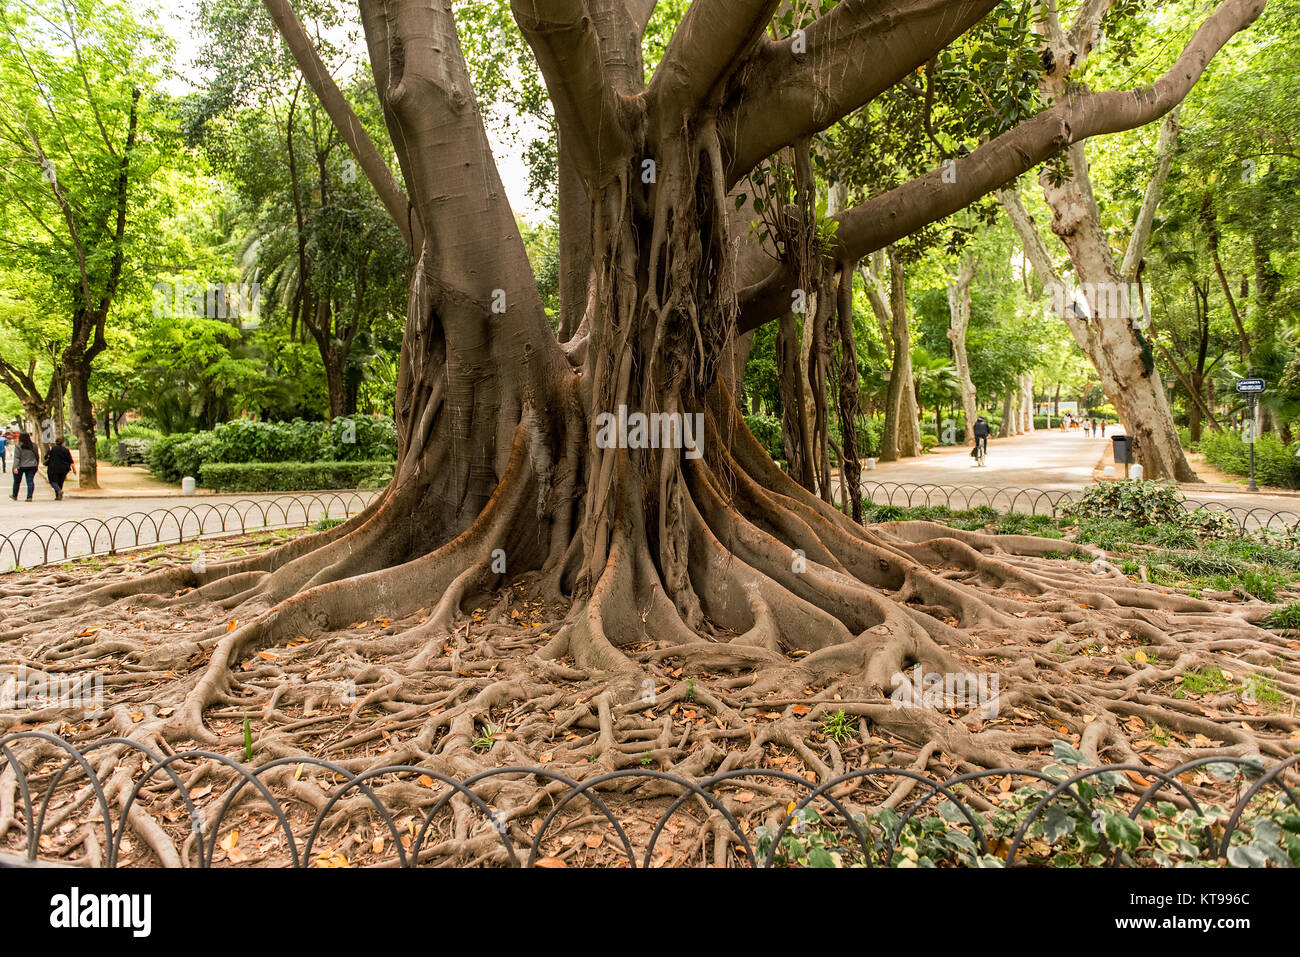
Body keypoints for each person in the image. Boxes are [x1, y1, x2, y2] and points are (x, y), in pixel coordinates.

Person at [44, 436, 75, 500]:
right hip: (63, 468)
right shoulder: (66, 450)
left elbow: (45, 457)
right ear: (62, 443)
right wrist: (74, 469)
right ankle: (58, 495)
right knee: (60, 482)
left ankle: (59, 491)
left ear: (55, 442)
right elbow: (70, 460)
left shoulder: (51, 449)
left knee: (52, 481)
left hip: (53, 468)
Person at [10, 432, 38, 501]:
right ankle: (29, 497)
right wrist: (36, 464)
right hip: (32, 465)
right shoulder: (34, 445)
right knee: (30, 481)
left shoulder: (18, 446)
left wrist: (15, 467)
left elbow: (17, 457)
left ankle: (14, 495)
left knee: (17, 481)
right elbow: (37, 456)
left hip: (20, 466)